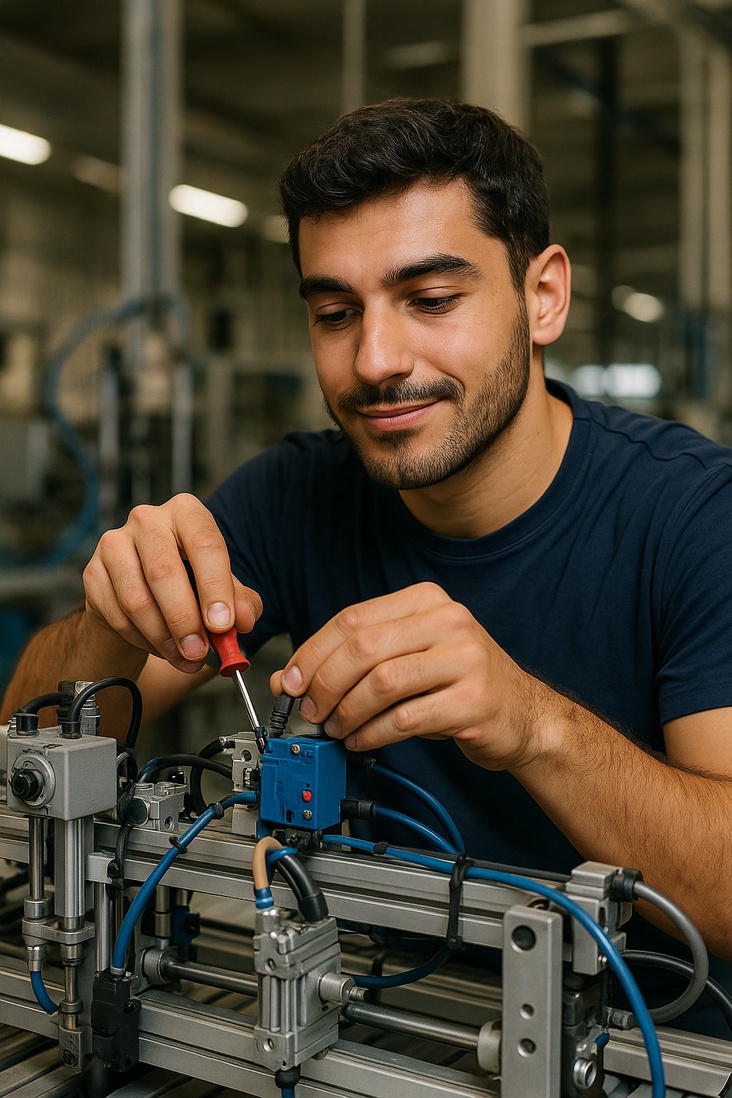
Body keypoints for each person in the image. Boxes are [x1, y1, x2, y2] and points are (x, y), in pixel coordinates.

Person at [4, 97, 732, 1036]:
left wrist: (531, 723)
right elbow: (26, 750)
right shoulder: (293, 494)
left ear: (544, 296)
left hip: (650, 1048)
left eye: (431, 300)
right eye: (337, 312)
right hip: (366, 1027)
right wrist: (111, 616)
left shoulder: (695, 514)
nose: (377, 360)